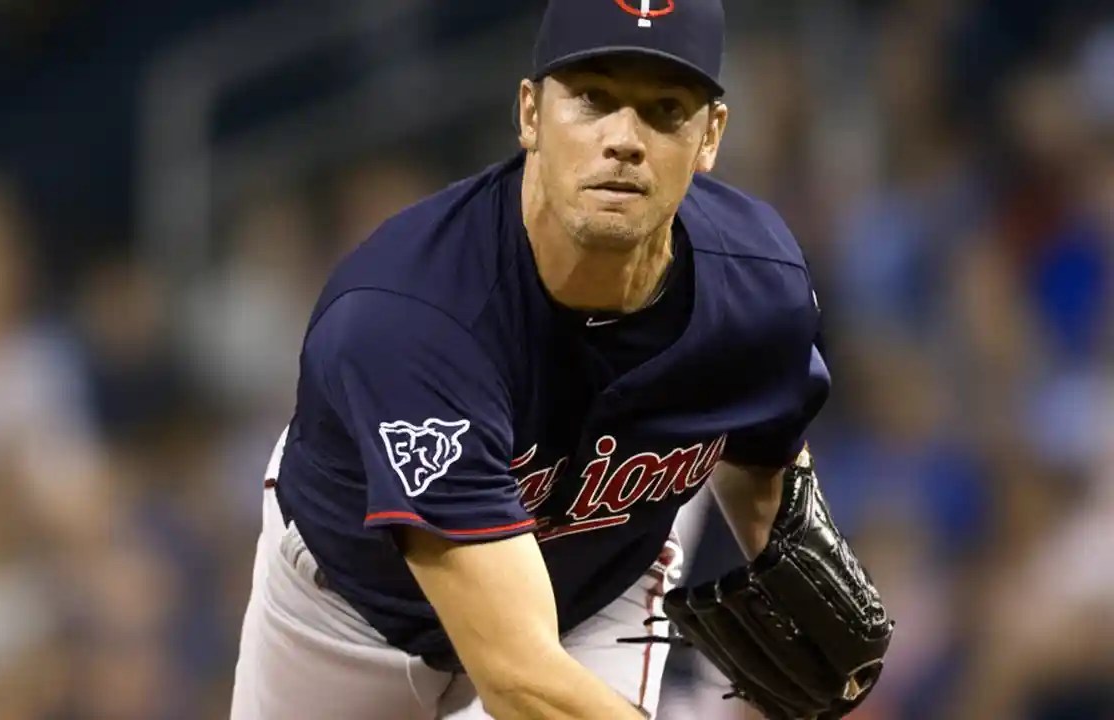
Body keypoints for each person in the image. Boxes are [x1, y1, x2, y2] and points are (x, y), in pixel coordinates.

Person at [231, 1, 878, 718]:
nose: (624, 140)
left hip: (597, 593)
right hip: (349, 618)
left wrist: (795, 555)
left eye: (665, 110)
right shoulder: (412, 315)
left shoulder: (757, 286)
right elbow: (518, 676)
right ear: (531, 113)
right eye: (593, 99)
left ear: (710, 135)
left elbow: (766, 458)